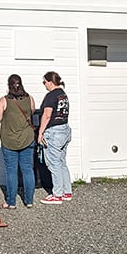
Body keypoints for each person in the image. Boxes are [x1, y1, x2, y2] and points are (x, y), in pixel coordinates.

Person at [0, 74, 36, 209]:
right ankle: (29, 201)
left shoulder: (4, 100)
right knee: (28, 170)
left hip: (9, 140)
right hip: (27, 139)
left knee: (11, 171)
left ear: (8, 86)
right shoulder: (30, 99)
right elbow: (32, 111)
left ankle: (11, 202)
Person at [38, 71, 72, 204]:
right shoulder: (63, 95)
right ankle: (66, 191)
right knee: (62, 162)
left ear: (50, 82)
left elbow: (47, 115)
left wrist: (40, 133)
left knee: (53, 163)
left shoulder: (51, 96)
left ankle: (57, 194)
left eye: (44, 82)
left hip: (53, 132)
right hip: (65, 129)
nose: (44, 85)